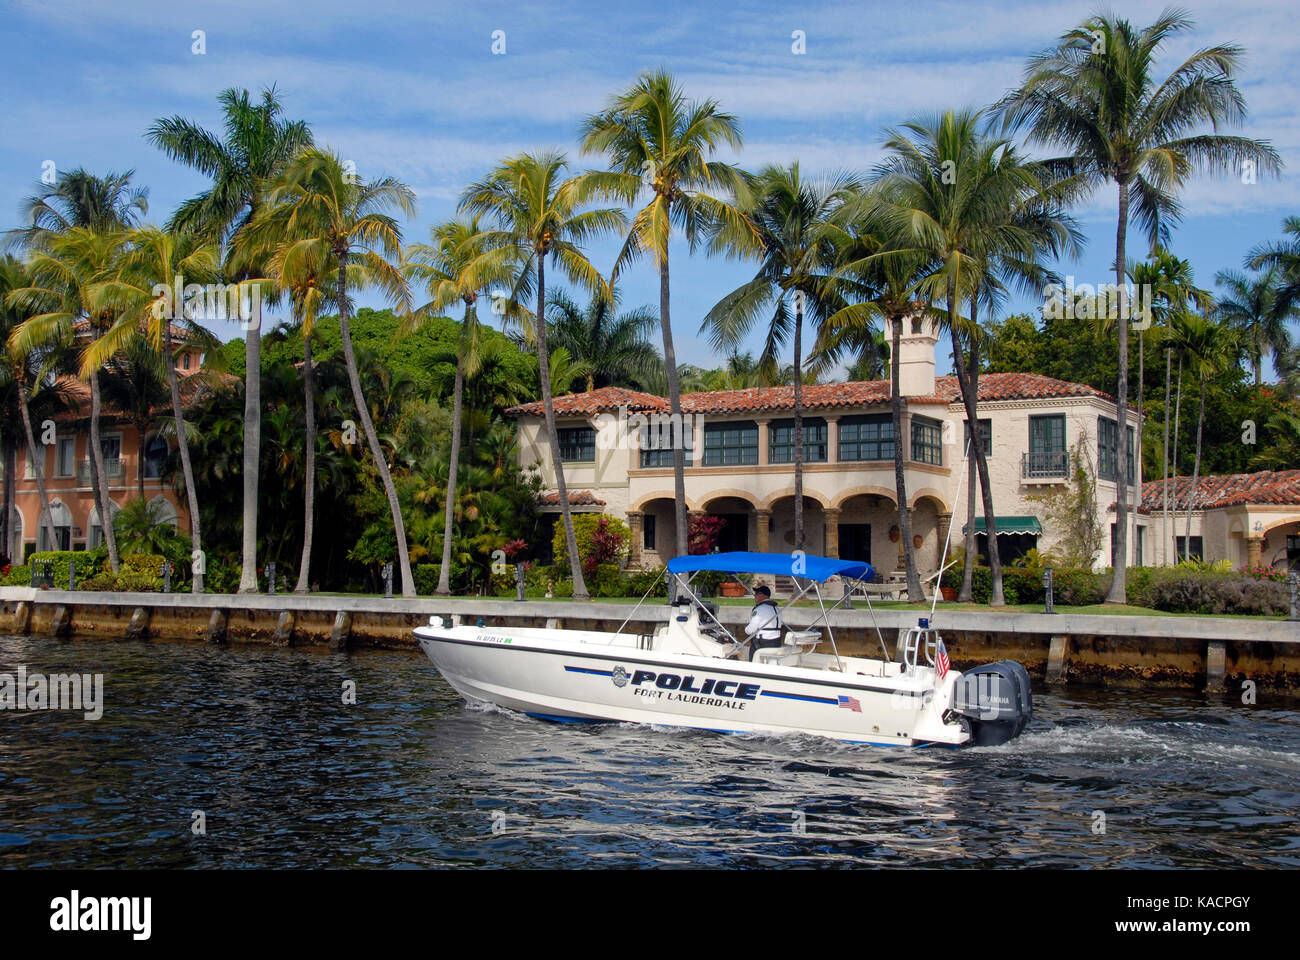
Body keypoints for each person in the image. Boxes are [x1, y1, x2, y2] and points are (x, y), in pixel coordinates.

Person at [743, 584, 784, 661]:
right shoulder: (777, 609)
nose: (754, 596)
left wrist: (746, 630)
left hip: (763, 642)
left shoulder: (759, 609)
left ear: (762, 595)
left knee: (752, 651)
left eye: (756, 594)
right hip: (776, 641)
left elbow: (751, 629)